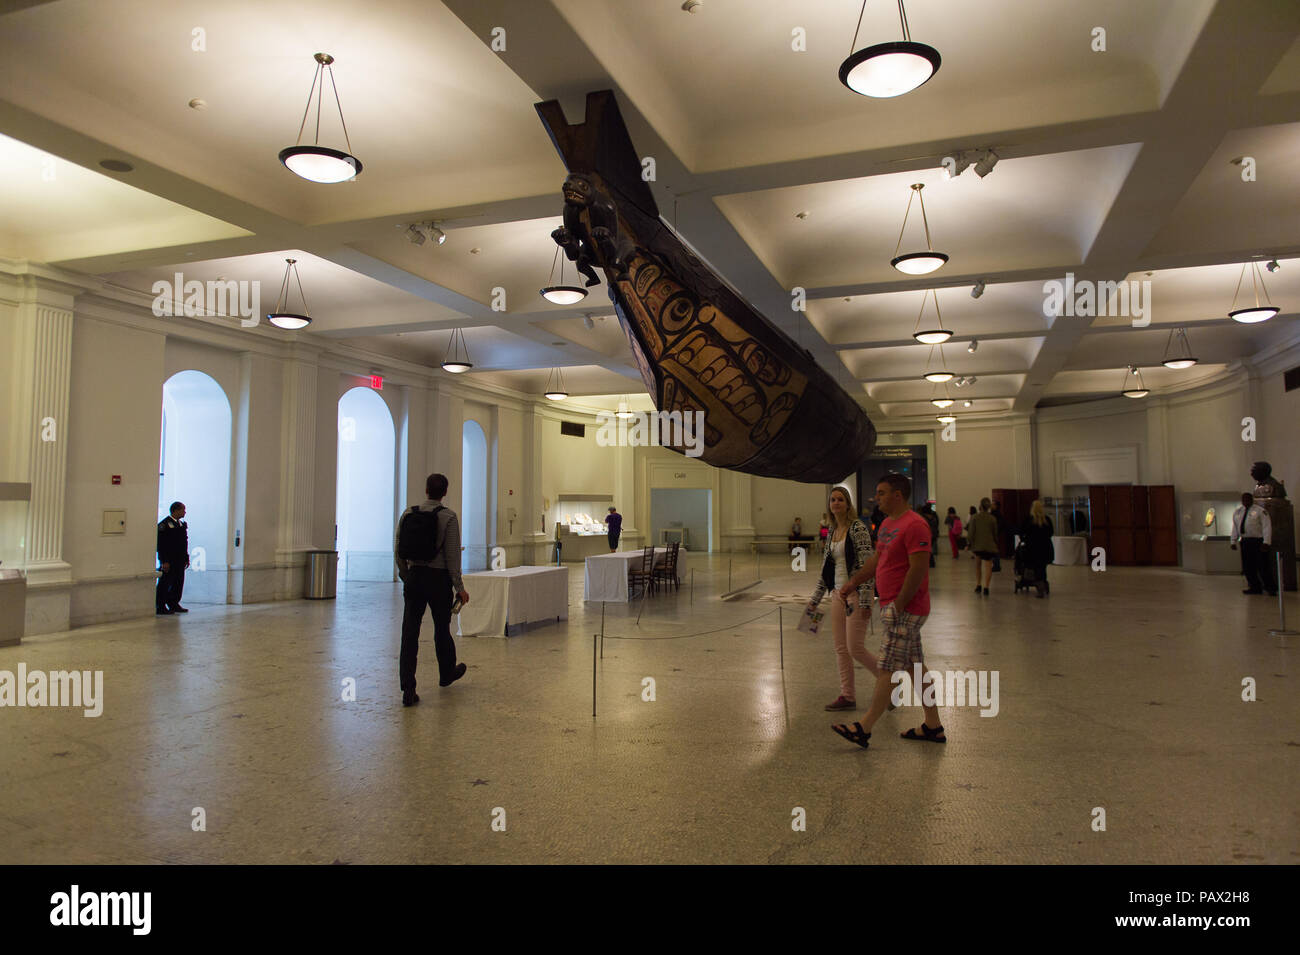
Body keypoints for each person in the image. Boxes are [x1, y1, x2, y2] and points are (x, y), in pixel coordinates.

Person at [830, 472, 943, 749]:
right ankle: (933, 725)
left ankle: (864, 727)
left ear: (897, 495)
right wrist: (854, 581)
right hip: (893, 604)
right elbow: (877, 560)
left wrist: (899, 605)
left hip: (906, 608)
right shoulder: (887, 525)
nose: (876, 497)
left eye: (881, 493)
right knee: (915, 667)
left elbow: (918, 569)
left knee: (887, 668)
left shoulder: (916, 525)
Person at [394, 473, 470, 707]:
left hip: (415, 577)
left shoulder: (409, 513)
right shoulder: (448, 517)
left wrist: (406, 575)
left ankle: (408, 688)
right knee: (441, 628)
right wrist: (460, 588)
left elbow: (398, 548)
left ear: (426, 490)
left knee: (409, 632)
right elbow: (453, 556)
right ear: (444, 492)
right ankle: (446, 673)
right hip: (438, 580)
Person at [806, 486, 876, 712]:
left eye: (840, 500)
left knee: (855, 648)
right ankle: (847, 696)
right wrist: (814, 601)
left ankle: (889, 680)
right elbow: (826, 570)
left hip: (855, 593)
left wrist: (866, 601)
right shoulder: (832, 532)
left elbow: (867, 565)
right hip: (837, 594)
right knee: (840, 648)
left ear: (848, 504)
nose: (835, 503)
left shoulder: (858, 528)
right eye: (832, 500)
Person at [1230, 492, 1274, 596]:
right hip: (1245, 541)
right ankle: (1254, 587)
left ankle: (1270, 588)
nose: (1245, 501)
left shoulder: (1260, 511)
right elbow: (1235, 527)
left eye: (1247, 499)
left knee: (1263, 565)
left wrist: (1266, 542)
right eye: (1243, 499)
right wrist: (1233, 540)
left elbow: (1266, 527)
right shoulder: (1238, 512)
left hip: (1258, 541)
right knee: (1248, 566)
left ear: (1251, 499)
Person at [156, 502, 189, 615]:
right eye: (183, 510)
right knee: (165, 583)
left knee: (178, 583)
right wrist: (164, 560)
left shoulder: (180, 524)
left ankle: (173, 603)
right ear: (176, 510)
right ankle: (160, 605)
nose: (184, 512)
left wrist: (186, 558)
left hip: (179, 560)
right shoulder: (164, 525)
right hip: (169, 560)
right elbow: (161, 545)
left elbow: (184, 543)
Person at [1019, 500, 1055, 598]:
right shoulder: (1047, 520)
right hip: (1045, 548)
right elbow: (1051, 532)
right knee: (1042, 567)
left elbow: (1022, 532)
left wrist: (1024, 540)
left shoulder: (1029, 520)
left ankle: (1040, 587)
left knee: (1035, 568)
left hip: (1032, 548)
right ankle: (1043, 583)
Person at [968, 498, 999, 596]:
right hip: (989, 546)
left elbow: (971, 532)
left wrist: (970, 543)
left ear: (980, 506)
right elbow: (995, 533)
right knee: (988, 566)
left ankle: (978, 584)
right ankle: (986, 587)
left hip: (978, 546)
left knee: (978, 565)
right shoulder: (992, 518)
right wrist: (995, 543)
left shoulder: (975, 517)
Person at [921, 503, 940, 568]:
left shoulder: (924, 519)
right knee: (929, 549)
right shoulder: (934, 517)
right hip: (933, 535)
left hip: (928, 536)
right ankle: (931, 563)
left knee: (927, 550)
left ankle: (931, 563)